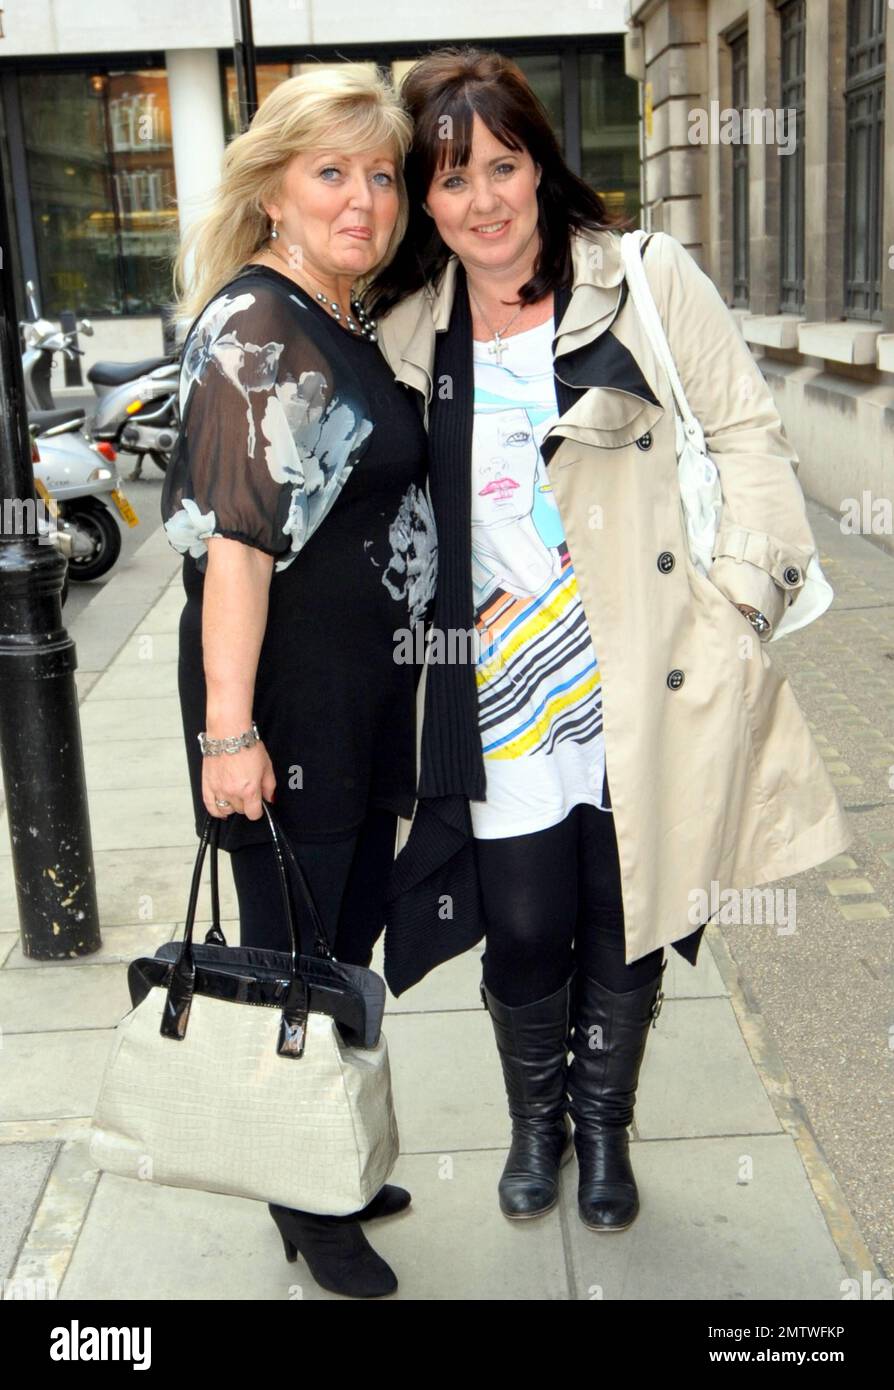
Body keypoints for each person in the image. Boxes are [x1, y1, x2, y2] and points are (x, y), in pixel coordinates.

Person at [364, 47, 852, 1234]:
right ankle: (535, 1122)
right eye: (450, 178)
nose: (482, 199)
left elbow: (747, 434)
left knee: (630, 912)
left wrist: (743, 600)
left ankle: (601, 1128)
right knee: (526, 918)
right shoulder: (411, 329)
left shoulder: (639, 277)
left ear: (541, 165)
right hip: (498, 689)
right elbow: (377, 509)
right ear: (422, 201)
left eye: (502, 165)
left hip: (649, 670)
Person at [160, 65, 436, 1298]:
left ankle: (319, 1143)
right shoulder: (258, 329)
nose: (364, 199)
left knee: (340, 934)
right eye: (333, 172)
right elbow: (235, 548)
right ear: (274, 188)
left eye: (381, 175)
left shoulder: (339, 317)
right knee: (288, 954)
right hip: (281, 701)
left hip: (364, 695)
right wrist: (230, 735)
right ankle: (304, 1199)